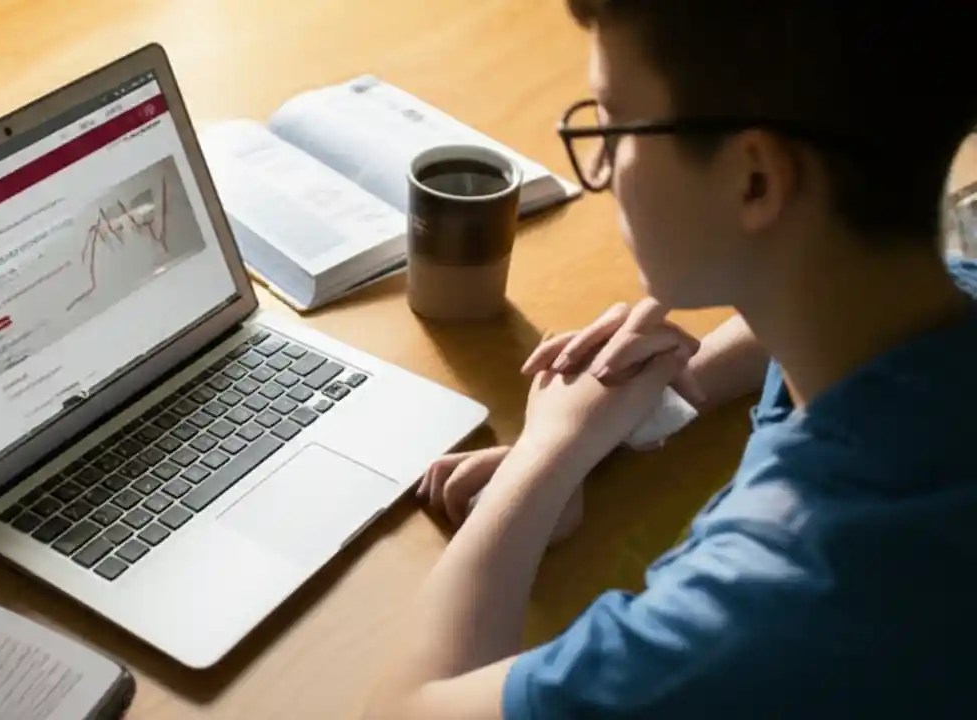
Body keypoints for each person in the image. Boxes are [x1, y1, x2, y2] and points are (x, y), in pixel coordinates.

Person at [365, 2, 977, 718]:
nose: (600, 166)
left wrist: (544, 458)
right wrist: (648, 412)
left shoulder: (766, 610)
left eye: (616, 125)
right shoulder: (923, 297)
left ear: (754, 179)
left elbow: (401, 709)